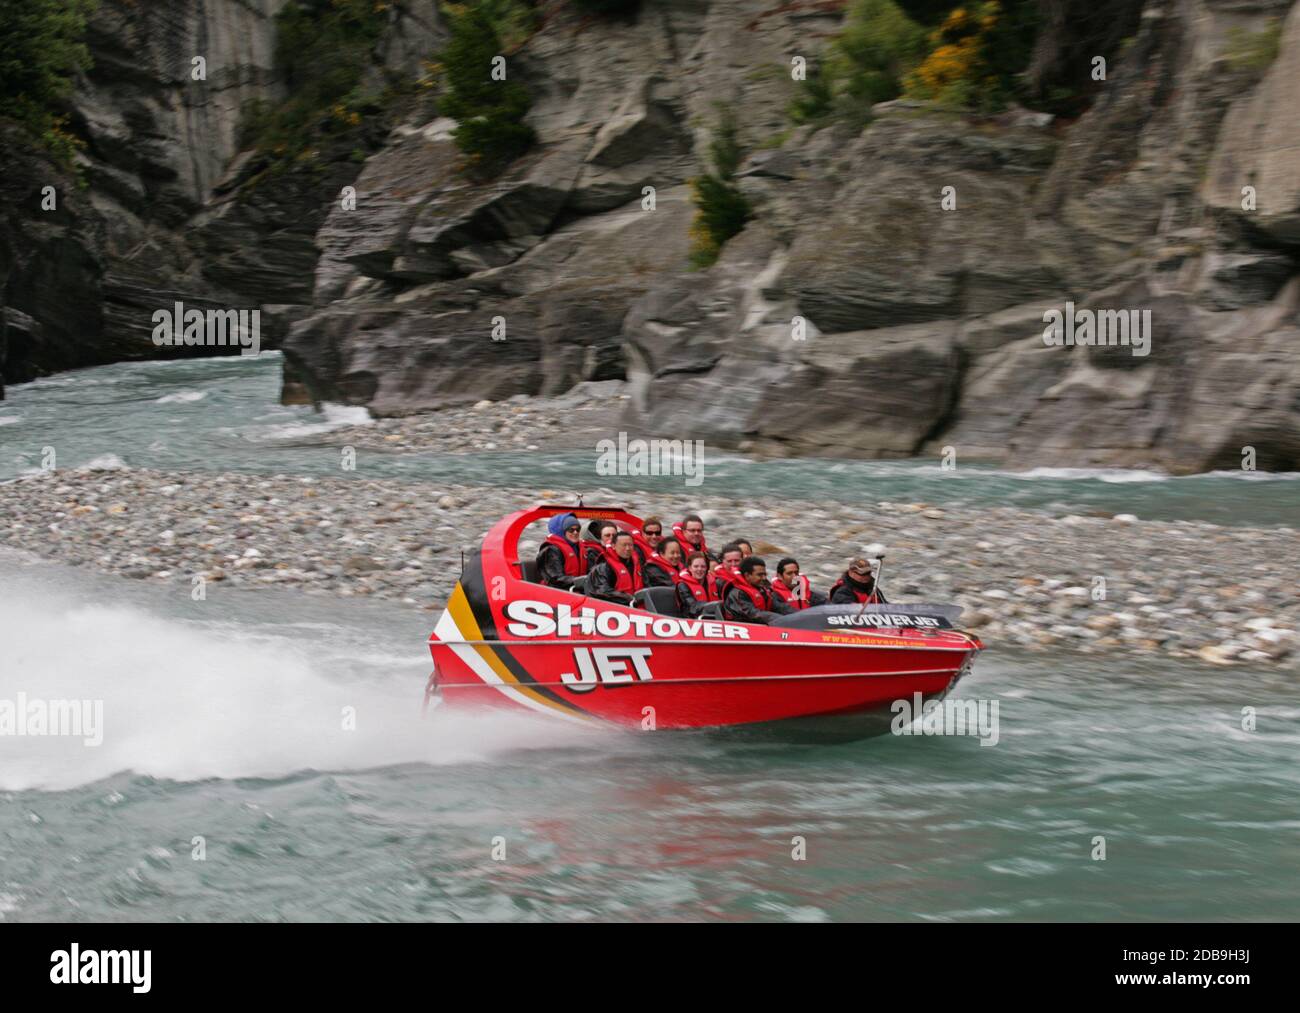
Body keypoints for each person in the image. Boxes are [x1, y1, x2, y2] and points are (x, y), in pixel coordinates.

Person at [721, 556, 793, 624]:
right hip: (743, 630)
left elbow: (779, 607)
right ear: (747, 575)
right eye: (760, 575)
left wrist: (800, 614)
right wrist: (782, 619)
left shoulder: (763, 590)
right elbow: (752, 614)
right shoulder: (737, 594)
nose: (764, 578)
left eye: (765, 574)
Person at [588, 530, 645, 605]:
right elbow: (602, 591)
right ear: (614, 546)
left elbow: (647, 584)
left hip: (637, 605)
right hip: (616, 606)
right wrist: (629, 598)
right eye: (624, 545)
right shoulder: (603, 567)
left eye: (630, 545)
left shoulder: (637, 564)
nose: (627, 548)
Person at [535, 512, 586, 589]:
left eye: (578, 529)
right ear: (561, 531)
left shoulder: (581, 547)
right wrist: (578, 581)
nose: (575, 532)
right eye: (571, 530)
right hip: (555, 592)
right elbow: (555, 579)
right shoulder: (551, 550)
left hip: (577, 589)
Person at [675, 551, 719, 617]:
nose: (699, 569)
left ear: (707, 568)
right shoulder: (682, 585)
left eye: (703, 566)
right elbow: (692, 607)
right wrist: (713, 606)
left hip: (714, 617)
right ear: (690, 568)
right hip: (691, 620)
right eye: (696, 566)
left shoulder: (715, 581)